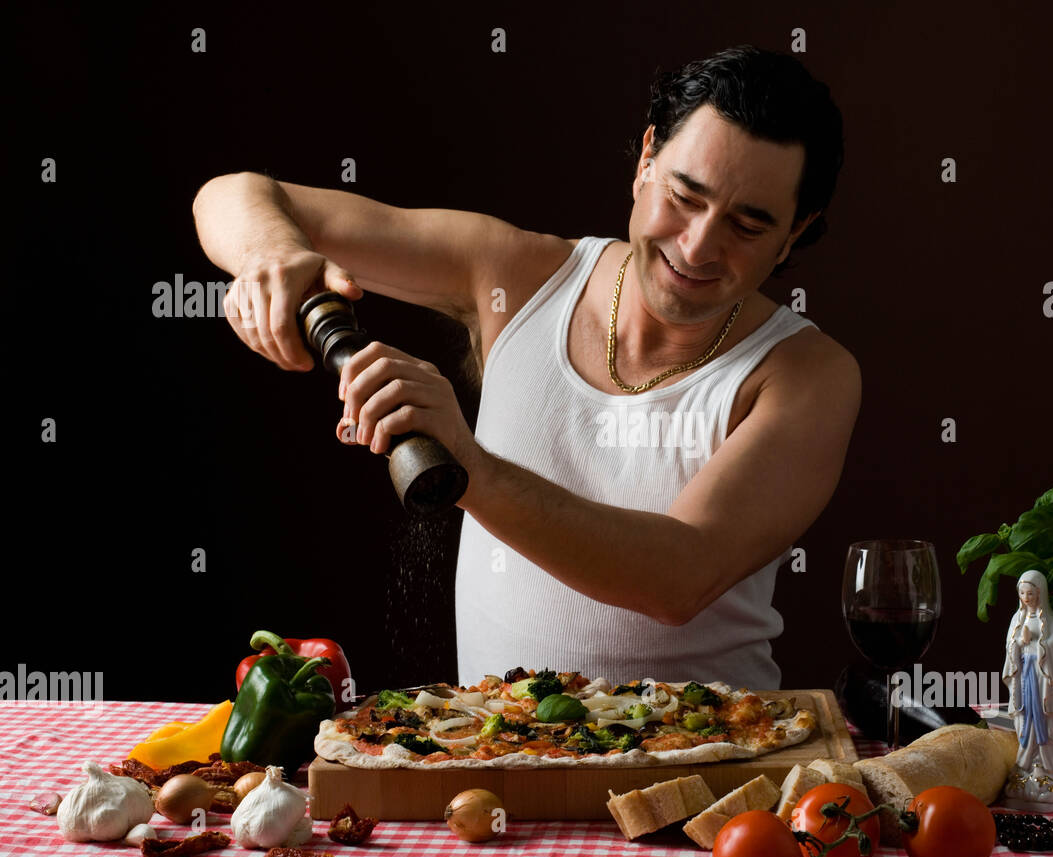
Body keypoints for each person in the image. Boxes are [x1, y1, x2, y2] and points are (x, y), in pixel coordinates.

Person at [191, 46, 859, 690]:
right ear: (646, 160)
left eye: (747, 226)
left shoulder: (807, 374)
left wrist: (471, 468)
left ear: (794, 233)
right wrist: (272, 254)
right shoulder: (514, 275)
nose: (698, 245)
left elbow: (677, 579)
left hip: (714, 756)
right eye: (684, 196)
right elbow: (233, 195)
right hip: (494, 746)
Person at [1002, 570, 1053, 809]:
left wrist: (1039, 645)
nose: (1026, 597)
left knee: (1043, 718)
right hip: (1025, 678)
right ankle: (1025, 764)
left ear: (1040, 593)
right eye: (1022, 593)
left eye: (1030, 593)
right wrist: (1019, 643)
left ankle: (1046, 765)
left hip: (1043, 683)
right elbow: (1010, 646)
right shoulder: (1017, 619)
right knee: (1024, 718)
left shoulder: (1050, 620)